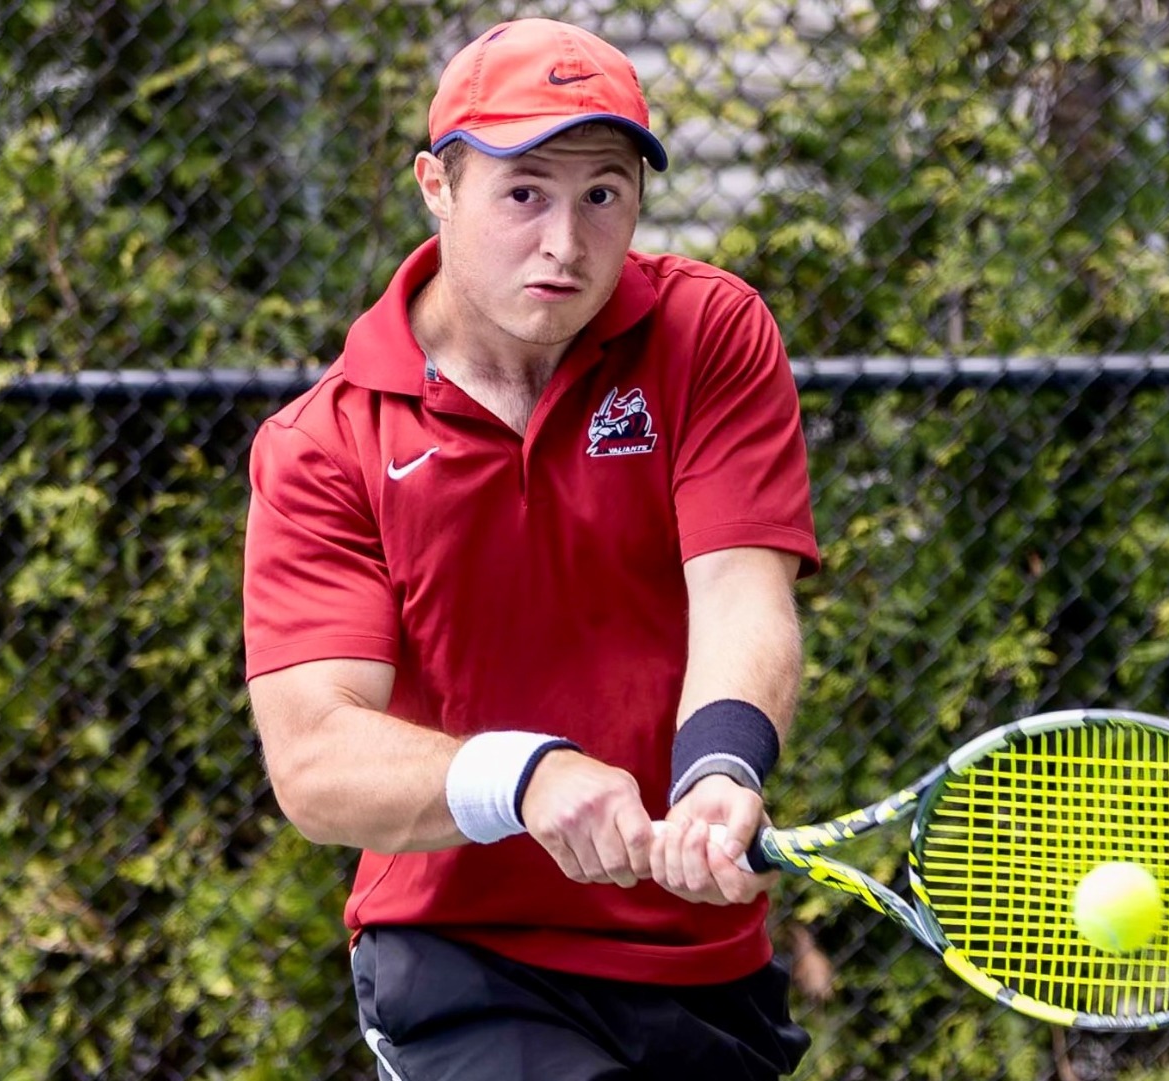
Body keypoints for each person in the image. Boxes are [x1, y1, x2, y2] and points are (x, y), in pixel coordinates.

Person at [242, 18, 817, 1080]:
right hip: (465, 963)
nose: (564, 239)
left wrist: (722, 769)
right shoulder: (327, 443)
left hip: (703, 963)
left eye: (602, 193)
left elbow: (741, 596)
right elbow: (316, 758)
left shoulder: (710, 336)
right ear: (436, 185)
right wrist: (526, 777)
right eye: (524, 193)